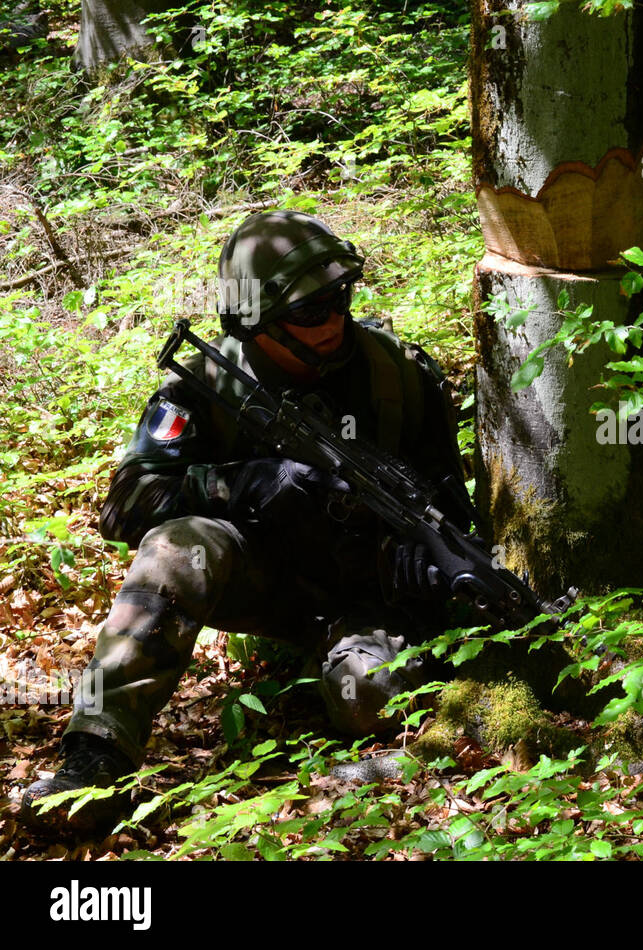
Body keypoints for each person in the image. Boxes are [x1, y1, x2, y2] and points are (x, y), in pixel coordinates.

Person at [20, 209, 469, 835]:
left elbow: (448, 505)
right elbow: (124, 504)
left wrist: (420, 559)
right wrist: (246, 482)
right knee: (179, 547)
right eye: (311, 312)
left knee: (368, 695)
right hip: (264, 578)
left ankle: (332, 669)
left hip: (370, 595)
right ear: (255, 322)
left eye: (341, 297)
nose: (335, 318)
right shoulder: (207, 385)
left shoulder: (396, 375)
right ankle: (94, 759)